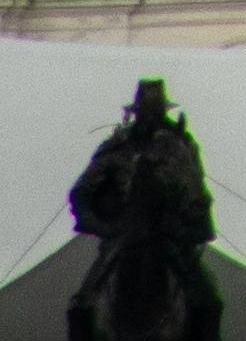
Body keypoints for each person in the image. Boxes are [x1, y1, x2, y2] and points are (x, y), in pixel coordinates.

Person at [64, 77, 223, 341]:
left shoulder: (180, 146)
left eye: (156, 113)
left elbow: (196, 190)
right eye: (147, 112)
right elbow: (83, 190)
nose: (152, 118)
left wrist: (196, 225)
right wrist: (102, 224)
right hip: (124, 236)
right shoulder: (118, 145)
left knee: (208, 301)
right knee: (81, 303)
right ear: (137, 113)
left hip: (169, 236)